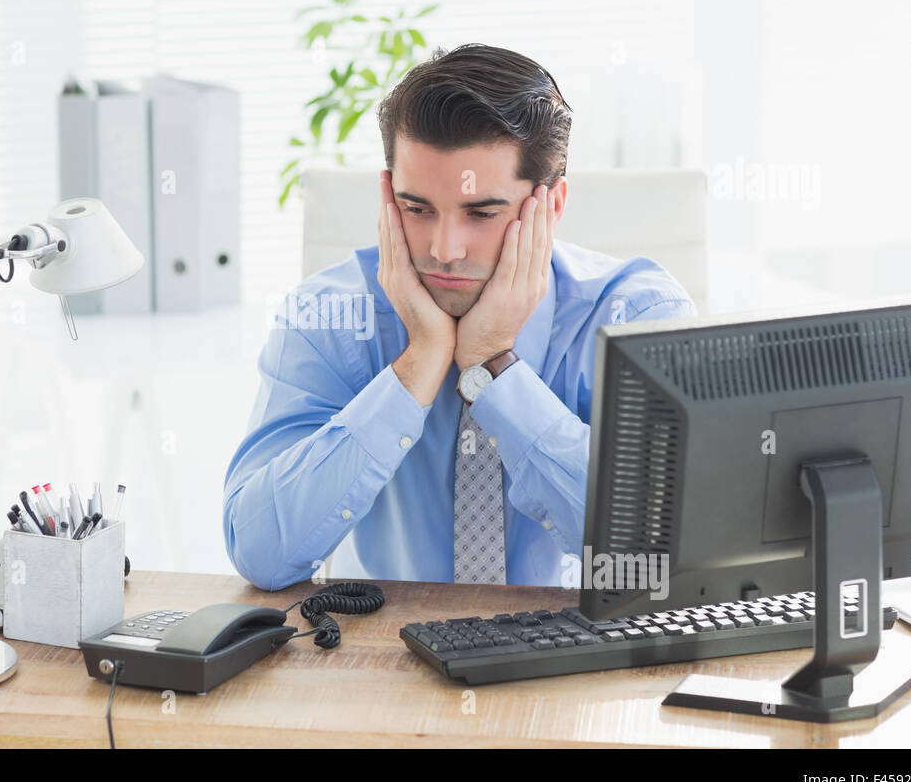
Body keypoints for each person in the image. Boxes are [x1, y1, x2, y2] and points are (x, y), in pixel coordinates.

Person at [223, 43, 696, 591]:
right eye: (417, 208)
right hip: (383, 660)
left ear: (552, 204)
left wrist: (495, 368)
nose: (445, 249)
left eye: (481, 213)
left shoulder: (637, 313)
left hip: (579, 661)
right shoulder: (328, 316)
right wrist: (418, 363)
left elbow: (655, 563)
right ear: (386, 197)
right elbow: (259, 553)